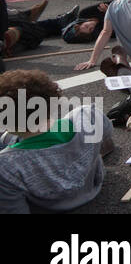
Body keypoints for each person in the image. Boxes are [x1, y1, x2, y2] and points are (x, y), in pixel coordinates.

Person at [0, 69, 113, 214]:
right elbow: (107, 133)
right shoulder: (88, 115)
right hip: (91, 185)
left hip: (49, 207)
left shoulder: (6, 166)